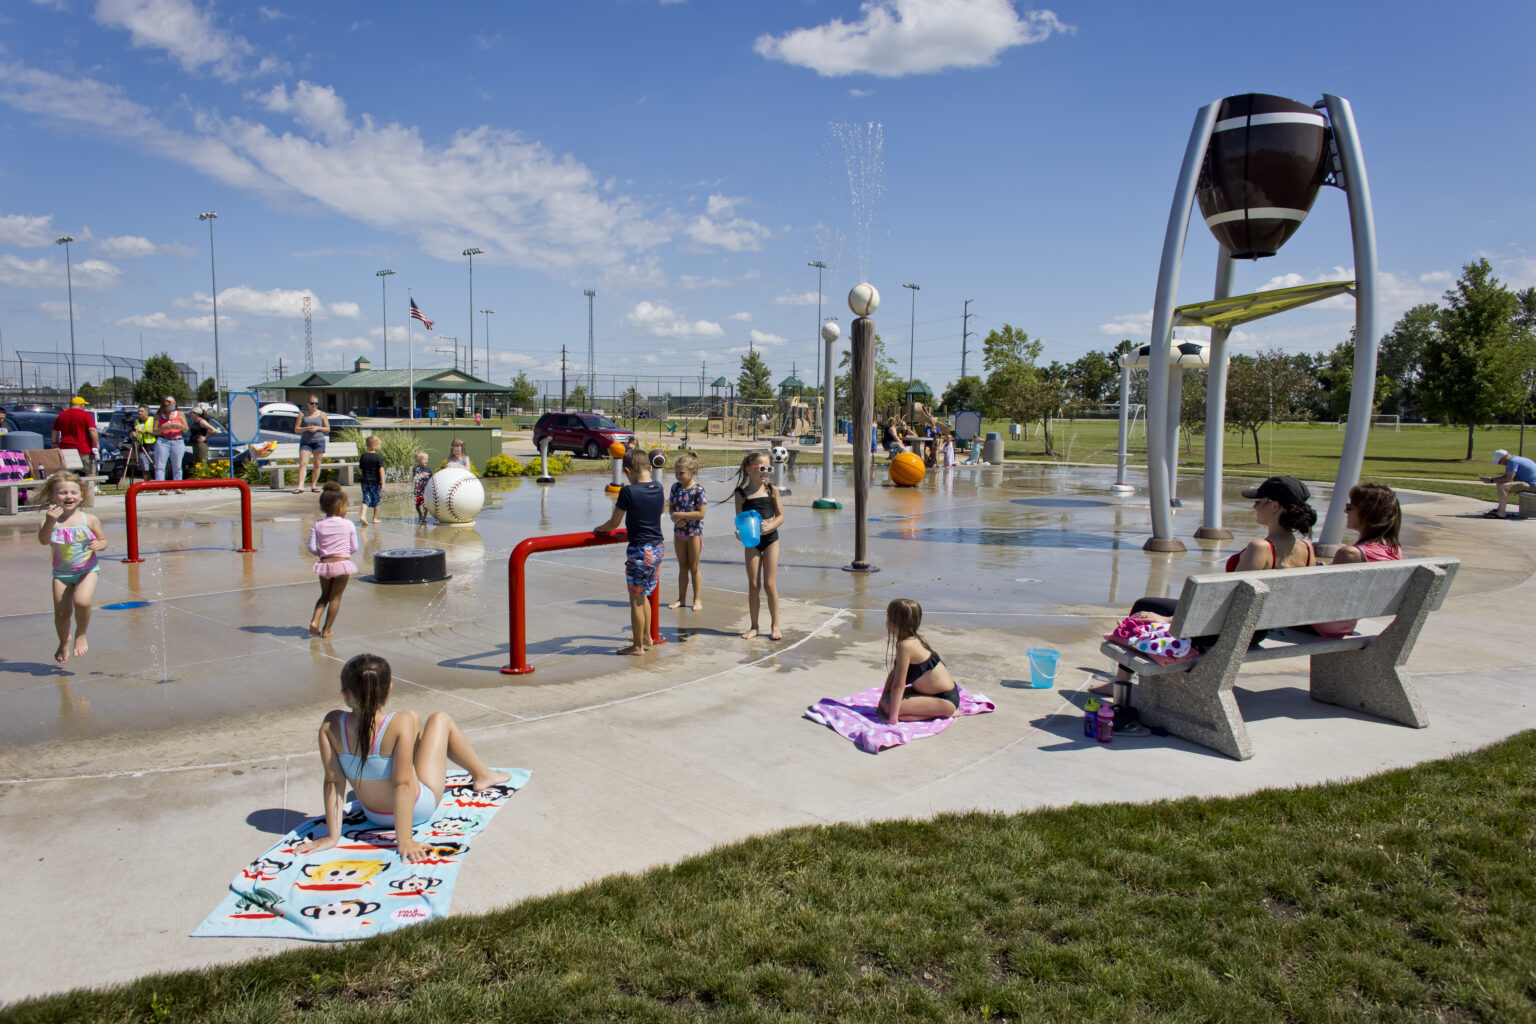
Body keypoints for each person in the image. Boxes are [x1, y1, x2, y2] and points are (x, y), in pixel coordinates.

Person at [1094, 475, 1320, 696]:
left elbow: (1232, 604)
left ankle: (1120, 684)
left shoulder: (1260, 548)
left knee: (1145, 607)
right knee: (1156, 607)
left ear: (1275, 507)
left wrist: (1170, 620)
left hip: (1234, 631)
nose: (1253, 507)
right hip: (1260, 629)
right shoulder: (1307, 548)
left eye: (1259, 502)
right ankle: (1125, 681)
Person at [295, 653, 511, 863]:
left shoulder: (331, 724)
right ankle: (482, 775)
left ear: (346, 694)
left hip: (373, 815)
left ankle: (480, 774)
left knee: (411, 720)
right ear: (388, 689)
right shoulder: (399, 723)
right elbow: (403, 784)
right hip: (417, 810)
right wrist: (405, 840)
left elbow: (334, 782)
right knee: (438, 719)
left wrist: (332, 837)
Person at [594, 448, 665, 656]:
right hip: (658, 547)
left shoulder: (628, 491)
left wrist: (599, 529)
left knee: (635, 599)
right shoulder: (658, 487)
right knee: (646, 595)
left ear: (627, 470)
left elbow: (614, 522)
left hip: (640, 551)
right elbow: (659, 512)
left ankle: (637, 647)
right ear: (649, 467)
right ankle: (647, 637)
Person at [1310, 482, 1404, 637]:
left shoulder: (1350, 554)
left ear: (1368, 513)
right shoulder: (1395, 550)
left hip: (1324, 624)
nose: (1345, 510)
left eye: (1350, 507)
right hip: (1350, 619)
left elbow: (1325, 595)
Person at [37, 471, 107, 664]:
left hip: (87, 571)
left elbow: (102, 540)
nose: (69, 496)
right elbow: (43, 541)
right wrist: (51, 521)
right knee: (61, 613)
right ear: (52, 496)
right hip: (61, 574)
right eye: (62, 493)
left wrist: (100, 544)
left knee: (82, 602)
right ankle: (63, 641)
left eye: (73, 492)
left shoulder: (89, 519)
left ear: (81, 495)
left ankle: (81, 634)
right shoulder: (48, 521)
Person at [876, 598, 959, 724]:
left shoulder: (905, 646)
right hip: (934, 694)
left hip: (945, 699)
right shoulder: (911, 640)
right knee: (887, 701)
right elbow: (893, 676)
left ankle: (948, 713)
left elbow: (898, 685)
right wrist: (879, 704)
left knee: (889, 707)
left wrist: (892, 719)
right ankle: (941, 712)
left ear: (894, 623)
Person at [731, 450, 784, 640]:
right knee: (754, 584)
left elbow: (781, 516)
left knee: (769, 584)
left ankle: (775, 625)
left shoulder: (771, 490)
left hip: (771, 541)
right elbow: (739, 519)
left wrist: (770, 524)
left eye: (768, 468)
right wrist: (740, 532)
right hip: (752, 542)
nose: (766, 472)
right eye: (762, 468)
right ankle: (754, 626)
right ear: (749, 469)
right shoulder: (741, 494)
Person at [307, 487, 359, 637]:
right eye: (346, 506)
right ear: (339, 507)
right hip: (342, 564)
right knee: (335, 598)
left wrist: (323, 554)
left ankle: (315, 620)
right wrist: (343, 553)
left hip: (325, 564)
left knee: (324, 596)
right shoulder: (348, 524)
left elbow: (311, 547)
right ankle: (326, 630)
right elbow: (354, 547)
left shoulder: (317, 524)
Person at [666, 452, 707, 611]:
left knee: (694, 566)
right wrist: (675, 518)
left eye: (681, 473)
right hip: (679, 532)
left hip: (694, 533)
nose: (677, 476)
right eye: (676, 473)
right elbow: (671, 508)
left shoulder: (698, 490)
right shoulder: (675, 487)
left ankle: (697, 599)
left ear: (693, 472)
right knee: (682, 566)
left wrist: (680, 515)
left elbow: (701, 513)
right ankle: (681, 598)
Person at [1480, 448, 1536, 519]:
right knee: (1501, 484)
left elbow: (1508, 478)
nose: (1500, 464)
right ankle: (1500, 509)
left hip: (1532, 485)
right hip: (1531, 484)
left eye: (1499, 461)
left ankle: (1501, 513)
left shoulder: (1512, 461)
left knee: (1502, 486)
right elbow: (1507, 477)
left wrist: (1491, 480)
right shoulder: (1517, 459)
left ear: (1503, 458)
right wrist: (1493, 479)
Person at [291, 395, 329, 493]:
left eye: (316, 403)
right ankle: (300, 486)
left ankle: (314, 485)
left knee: (317, 464)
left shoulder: (322, 414)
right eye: (312, 403)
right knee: (303, 464)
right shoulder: (302, 414)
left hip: (318, 441)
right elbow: (296, 429)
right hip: (306, 442)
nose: (314, 405)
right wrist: (307, 428)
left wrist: (318, 428)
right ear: (307, 403)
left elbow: (327, 429)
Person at [51, 397, 99, 476]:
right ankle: (91, 488)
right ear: (81, 405)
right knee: (89, 472)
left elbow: (55, 430)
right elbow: (92, 430)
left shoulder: (61, 415)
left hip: (67, 450)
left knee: (69, 475)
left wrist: (54, 443)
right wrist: (96, 444)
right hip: (84, 449)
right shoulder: (85, 414)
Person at [153, 396, 188, 489]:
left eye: (171, 409)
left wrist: (180, 425)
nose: (170, 411)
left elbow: (186, 429)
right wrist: (164, 427)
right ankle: (161, 487)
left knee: (177, 466)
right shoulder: (158, 415)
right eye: (168, 409)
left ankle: (178, 486)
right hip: (163, 441)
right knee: (160, 466)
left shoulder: (180, 414)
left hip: (177, 441)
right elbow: (155, 431)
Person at [357, 435, 384, 526]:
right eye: (379, 445)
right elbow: (381, 470)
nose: (380, 446)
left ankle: (363, 515)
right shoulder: (378, 457)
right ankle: (375, 518)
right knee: (377, 500)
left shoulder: (363, 456)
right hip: (375, 482)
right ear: (373, 446)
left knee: (366, 499)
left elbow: (360, 468)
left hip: (364, 482)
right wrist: (382, 482)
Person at [132, 405, 155, 476]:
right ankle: (147, 483)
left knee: (156, 466)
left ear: (146, 412)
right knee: (145, 468)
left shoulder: (153, 420)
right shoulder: (136, 421)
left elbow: (158, 431)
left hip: (152, 446)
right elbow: (131, 431)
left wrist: (145, 431)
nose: (139, 413)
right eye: (138, 411)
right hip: (141, 446)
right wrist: (132, 434)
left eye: (141, 411)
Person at [411, 450, 432, 525]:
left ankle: (424, 517)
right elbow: (414, 477)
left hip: (425, 491)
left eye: (427, 459)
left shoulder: (428, 470)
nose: (426, 461)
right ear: (418, 460)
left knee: (425, 505)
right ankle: (420, 514)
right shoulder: (416, 469)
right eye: (424, 459)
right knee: (417, 505)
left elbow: (431, 479)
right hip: (417, 491)